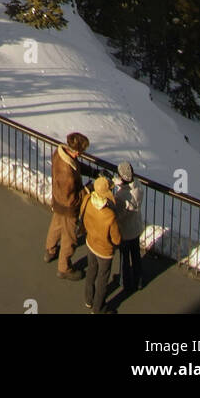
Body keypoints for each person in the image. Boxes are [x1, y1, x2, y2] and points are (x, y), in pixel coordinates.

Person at [45, 132, 90, 280]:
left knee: (56, 225)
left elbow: (75, 165)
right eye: (81, 153)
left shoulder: (59, 153)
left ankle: (50, 250)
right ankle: (64, 268)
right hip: (68, 207)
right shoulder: (68, 175)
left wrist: (93, 172)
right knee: (69, 238)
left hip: (58, 201)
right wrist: (89, 189)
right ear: (75, 151)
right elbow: (72, 199)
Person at [81, 175, 122, 314]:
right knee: (103, 279)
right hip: (104, 251)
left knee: (91, 271)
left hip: (90, 242)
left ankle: (88, 299)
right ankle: (98, 309)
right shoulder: (109, 215)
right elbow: (116, 239)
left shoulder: (87, 200)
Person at [114, 161, 144, 293]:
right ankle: (138, 281)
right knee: (136, 255)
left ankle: (124, 282)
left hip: (125, 232)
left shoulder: (121, 196)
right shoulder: (138, 186)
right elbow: (128, 188)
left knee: (124, 259)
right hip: (135, 228)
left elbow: (119, 215)